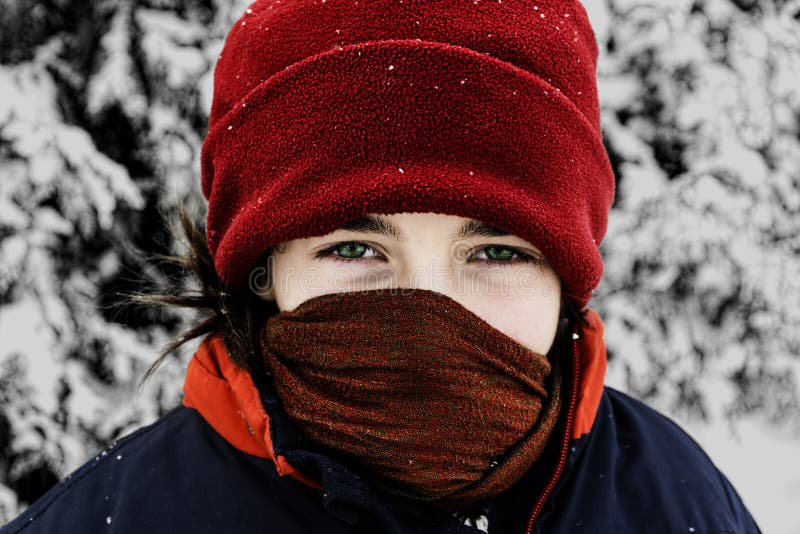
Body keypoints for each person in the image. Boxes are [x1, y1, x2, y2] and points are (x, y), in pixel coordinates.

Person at [2, 1, 761, 533]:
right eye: (354, 248)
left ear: (567, 279)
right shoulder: (110, 521)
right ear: (263, 274)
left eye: (497, 251)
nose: (427, 305)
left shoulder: (677, 500)